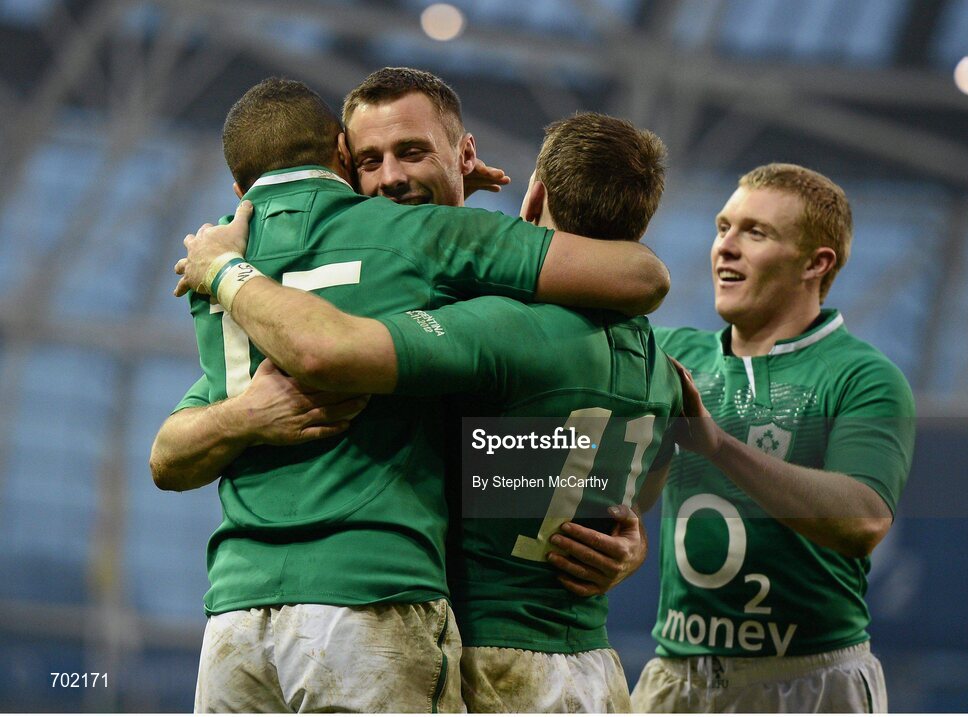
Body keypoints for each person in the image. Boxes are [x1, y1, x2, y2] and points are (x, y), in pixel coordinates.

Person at [152, 76, 669, 713]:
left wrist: (620, 529)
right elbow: (171, 450)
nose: (391, 177)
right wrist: (242, 416)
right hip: (420, 622)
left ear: (464, 154)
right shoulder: (407, 278)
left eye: (413, 153)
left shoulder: (458, 293)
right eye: (371, 160)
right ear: (341, 163)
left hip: (439, 639)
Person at [623, 163, 916, 712]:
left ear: (816, 263)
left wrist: (718, 445)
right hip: (675, 674)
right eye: (723, 226)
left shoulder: (864, 377)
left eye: (755, 233)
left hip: (812, 679)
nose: (725, 247)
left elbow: (863, 519)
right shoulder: (669, 355)